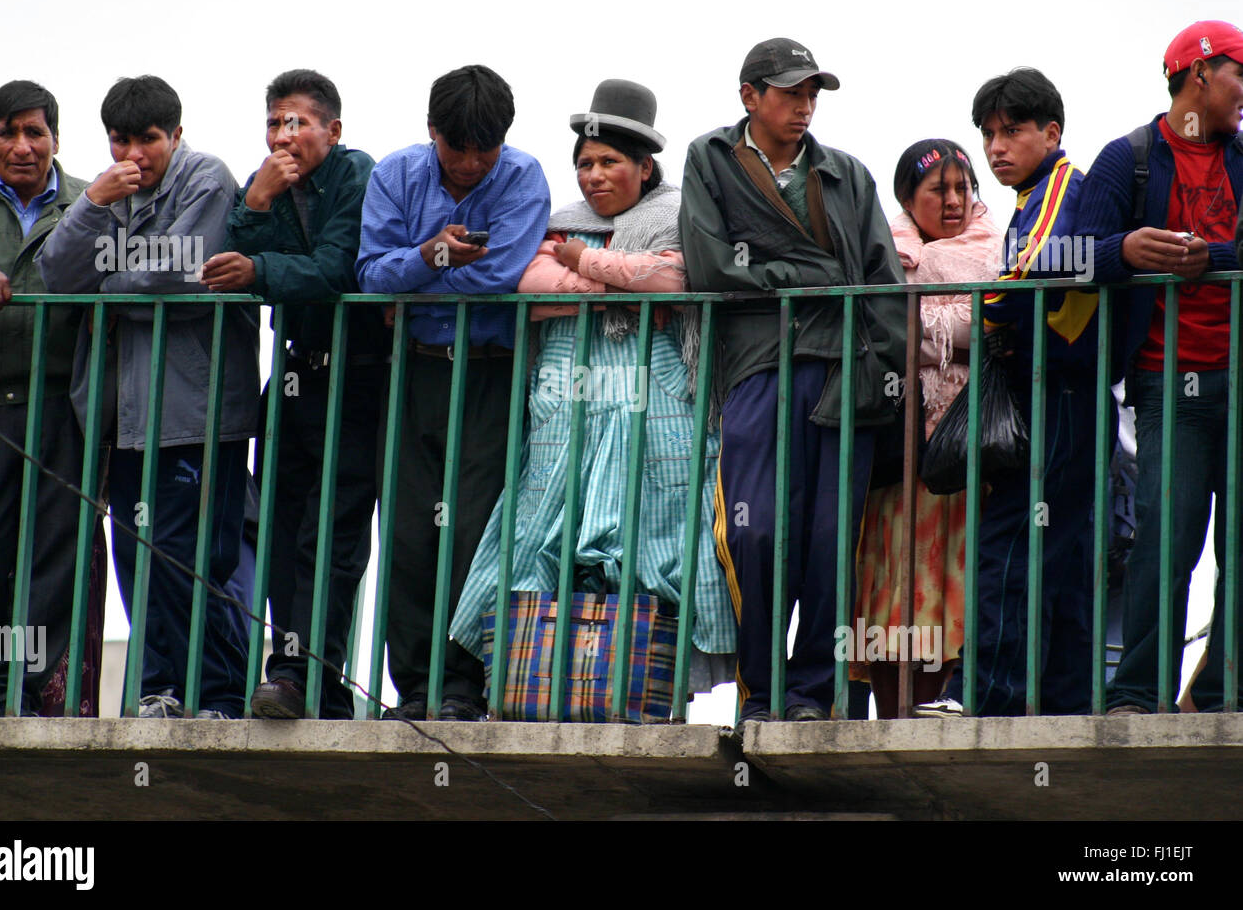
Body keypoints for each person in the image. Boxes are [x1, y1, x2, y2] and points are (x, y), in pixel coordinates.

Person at [449, 79, 737, 703]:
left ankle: (637, 693)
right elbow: (530, 283)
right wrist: (619, 282)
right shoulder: (558, 224)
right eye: (585, 163)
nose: (593, 176)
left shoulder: (677, 216)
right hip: (566, 398)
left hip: (656, 403)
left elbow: (672, 278)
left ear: (645, 166)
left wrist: (582, 264)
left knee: (655, 537)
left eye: (610, 163)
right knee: (543, 531)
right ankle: (544, 690)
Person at [680, 38, 907, 724]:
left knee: (830, 545)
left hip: (845, 371)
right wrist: (811, 278)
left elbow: (883, 284)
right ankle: (760, 687)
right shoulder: (710, 158)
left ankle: (809, 693)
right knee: (753, 533)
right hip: (757, 367)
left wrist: (884, 374)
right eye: (790, 92)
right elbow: (713, 269)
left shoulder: (848, 174)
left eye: (813, 94)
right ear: (750, 95)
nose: (804, 106)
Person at [39, 75, 258, 719]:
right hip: (124, 418)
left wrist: (103, 286)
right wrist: (92, 207)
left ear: (177, 134)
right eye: (120, 141)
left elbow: (176, 272)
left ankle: (219, 694)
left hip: (199, 411)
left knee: (196, 561)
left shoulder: (207, 177)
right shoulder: (107, 193)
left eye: (148, 140)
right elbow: (56, 274)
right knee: (140, 562)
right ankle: (162, 688)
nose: (133, 154)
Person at [356, 65, 550, 721]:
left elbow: (501, 274)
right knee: (409, 531)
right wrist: (429, 257)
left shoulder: (523, 177)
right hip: (412, 370)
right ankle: (414, 687)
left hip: (492, 371)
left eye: (484, 150)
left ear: (504, 141)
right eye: (456, 147)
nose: (470, 164)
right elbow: (370, 273)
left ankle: (466, 685)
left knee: (474, 528)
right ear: (431, 132)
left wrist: (416, 271)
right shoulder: (394, 173)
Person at [916, 67, 1106, 718]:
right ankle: (1065, 702)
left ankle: (983, 694)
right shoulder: (1030, 197)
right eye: (988, 134)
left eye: (1013, 131)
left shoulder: (1058, 186)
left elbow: (1021, 282)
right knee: (1060, 554)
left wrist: (984, 320)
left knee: (1012, 542)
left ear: (1052, 133)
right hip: (1062, 396)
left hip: (1059, 392)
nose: (997, 146)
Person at [203, 69, 386, 720]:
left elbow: (338, 269)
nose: (283, 136)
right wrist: (254, 206)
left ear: (332, 131)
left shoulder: (356, 177)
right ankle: (297, 675)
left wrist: (260, 269)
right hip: (292, 378)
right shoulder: (270, 184)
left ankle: (305, 675)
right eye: (274, 123)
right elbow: (226, 261)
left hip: (356, 379)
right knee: (278, 532)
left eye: (297, 123)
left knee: (329, 540)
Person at [1076, 21, 1243, 715]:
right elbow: (1069, 256)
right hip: (1167, 380)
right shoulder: (1129, 158)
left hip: (1237, 377)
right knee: (1166, 541)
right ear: (1199, 74)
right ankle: (1138, 694)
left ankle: (1219, 690)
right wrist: (1126, 250)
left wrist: (1219, 258)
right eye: (1239, 73)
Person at [0, 81, 88, 715]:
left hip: (66, 402)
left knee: (54, 550)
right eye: (9, 132)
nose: (22, 146)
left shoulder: (89, 202)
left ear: (57, 139)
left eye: (37, 133)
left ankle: (24, 694)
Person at [853, 139, 1002, 718]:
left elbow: (987, 321)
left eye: (963, 187)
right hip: (901, 451)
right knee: (893, 589)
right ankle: (893, 721)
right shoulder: (886, 255)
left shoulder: (996, 249)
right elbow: (884, 324)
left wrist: (924, 322)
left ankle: (942, 708)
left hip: (968, 447)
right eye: (938, 189)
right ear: (906, 199)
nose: (955, 200)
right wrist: (942, 325)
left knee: (954, 585)